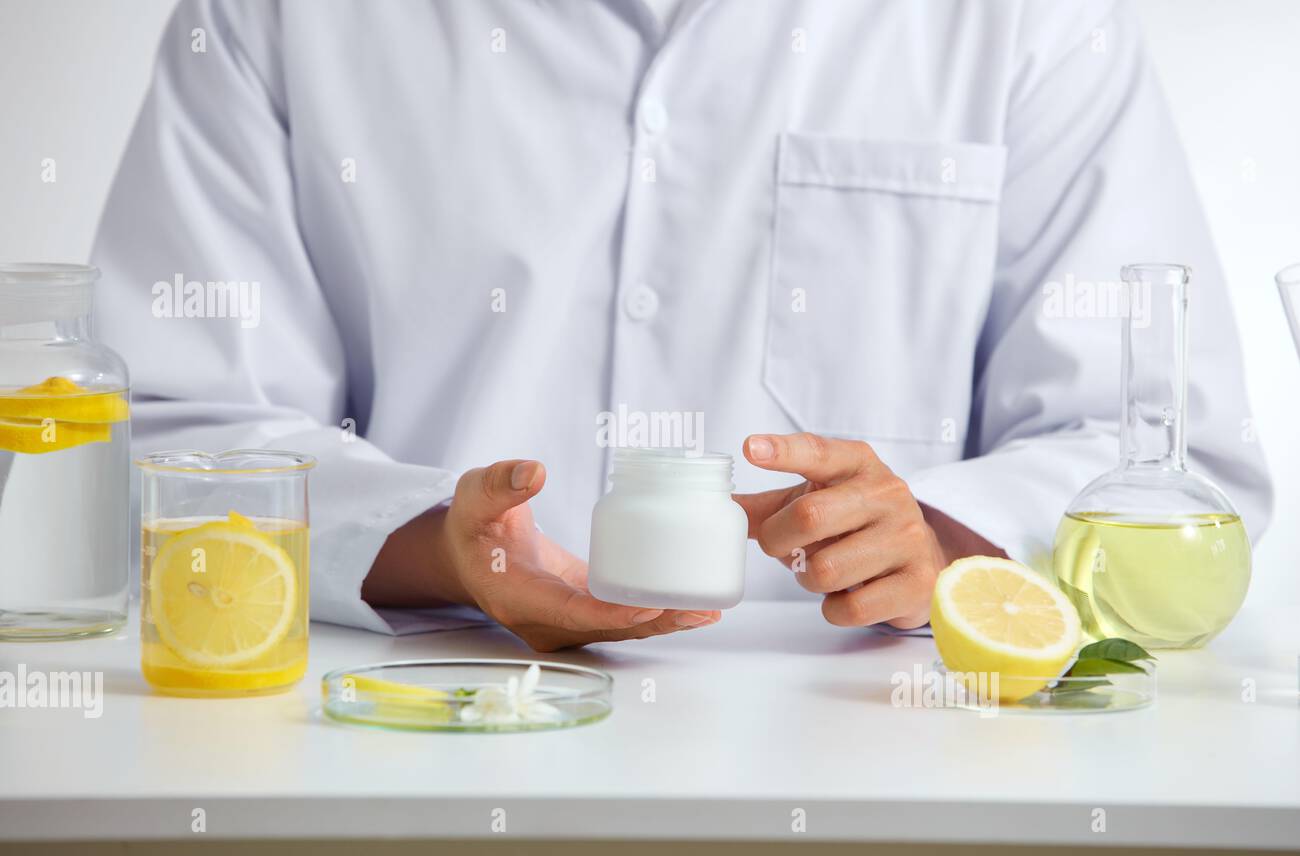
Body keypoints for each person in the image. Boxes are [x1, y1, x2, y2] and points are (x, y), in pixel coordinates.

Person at [92, 0, 1272, 650]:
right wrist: (429, 547)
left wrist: (945, 542)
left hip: (892, 770)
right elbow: (159, 427)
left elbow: (1167, 446)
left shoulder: (1031, 20)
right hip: (411, 743)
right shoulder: (273, 17)